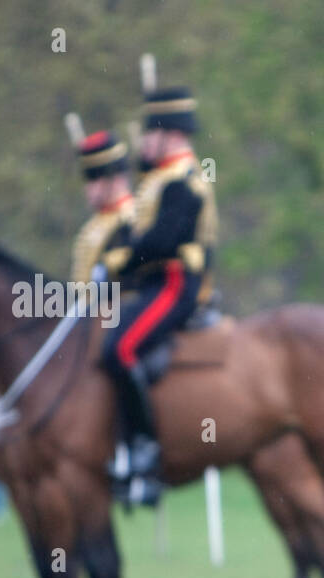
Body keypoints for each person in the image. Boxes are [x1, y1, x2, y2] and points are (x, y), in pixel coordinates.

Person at [100, 84, 217, 507]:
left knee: (121, 349)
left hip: (175, 283)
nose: (143, 141)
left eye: (150, 133)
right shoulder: (159, 180)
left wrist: (119, 263)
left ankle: (146, 449)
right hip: (153, 282)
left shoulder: (183, 181)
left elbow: (163, 242)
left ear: (169, 134)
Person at [69, 127, 134, 283]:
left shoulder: (131, 219)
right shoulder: (94, 225)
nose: (88, 188)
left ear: (114, 178)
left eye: (94, 180)